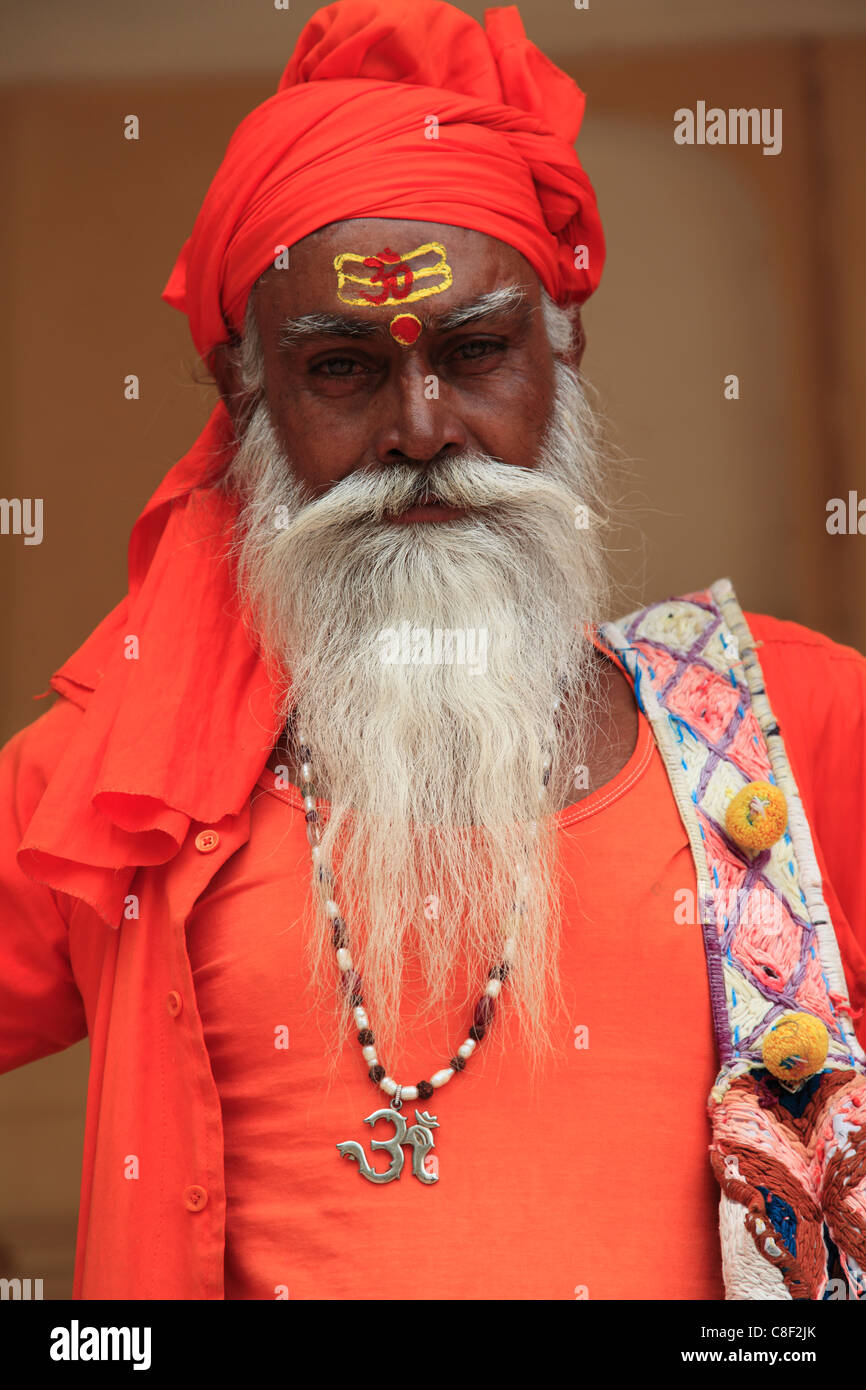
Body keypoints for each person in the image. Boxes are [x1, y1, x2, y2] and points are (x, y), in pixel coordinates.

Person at [2, 0, 865, 1302]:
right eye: (343, 368)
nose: (420, 428)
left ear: (560, 351)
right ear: (249, 402)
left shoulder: (799, 719)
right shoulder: (130, 775)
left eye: (473, 353)